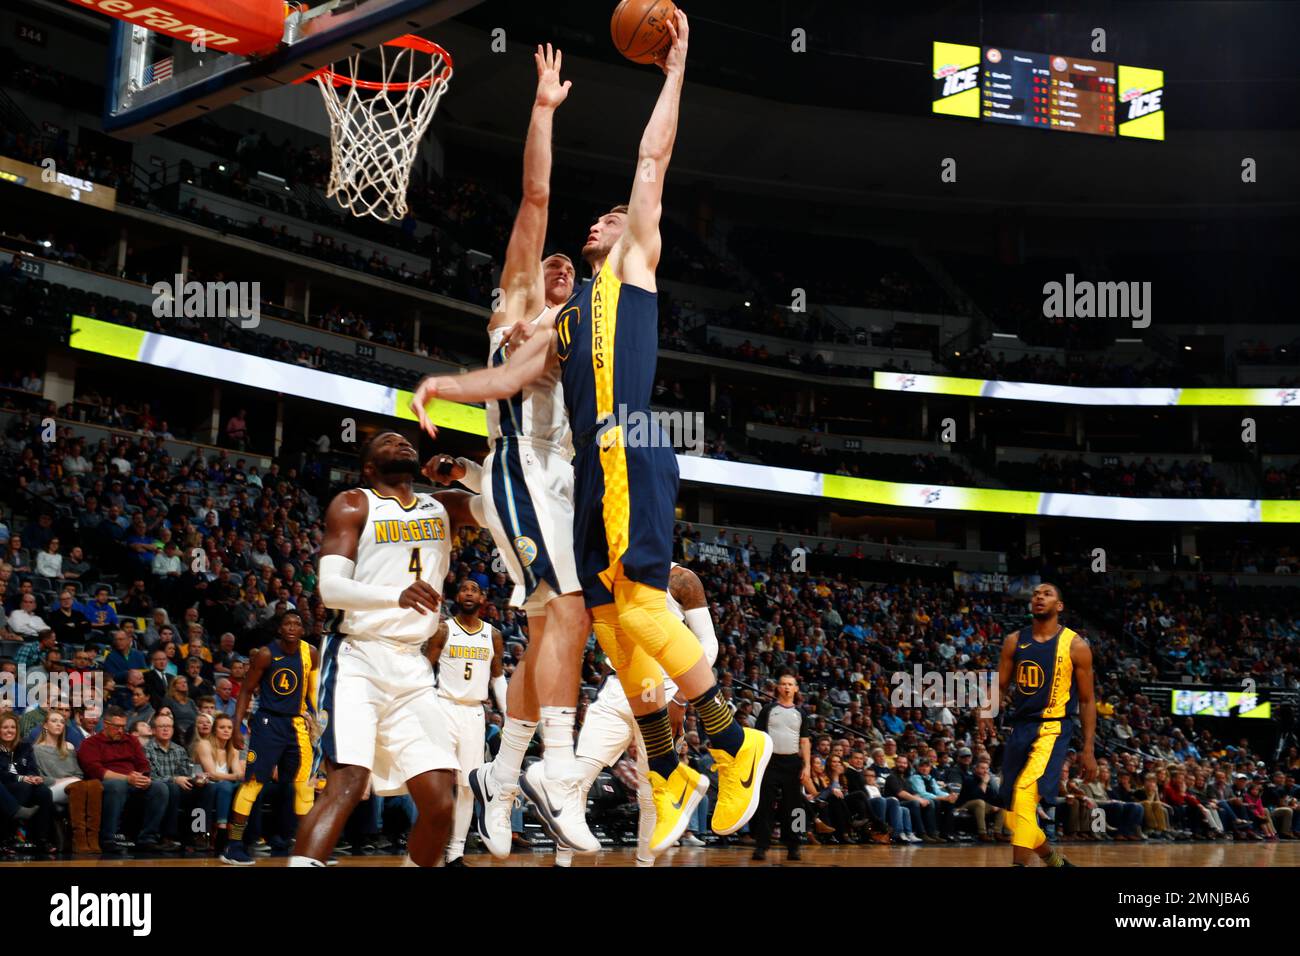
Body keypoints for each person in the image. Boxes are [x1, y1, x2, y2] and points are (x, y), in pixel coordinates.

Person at [412, 12, 770, 850]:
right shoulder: (559, 326)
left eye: (607, 222)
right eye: (598, 223)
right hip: (585, 470)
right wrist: (444, 384)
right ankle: (669, 763)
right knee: (608, 620)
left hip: (630, 444)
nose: (597, 228)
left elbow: (652, 158)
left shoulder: (633, 262)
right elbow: (504, 376)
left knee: (643, 607)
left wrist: (675, 68)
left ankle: (731, 743)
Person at [417, 45, 594, 858]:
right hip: (521, 464)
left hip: (557, 475)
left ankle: (504, 769)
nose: (557, 264)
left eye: (566, 264)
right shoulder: (520, 302)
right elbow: (536, 195)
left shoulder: (587, 320)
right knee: (565, 609)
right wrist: (544, 109)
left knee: (549, 623)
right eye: (549, 261)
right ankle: (550, 766)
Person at [293, 431, 478, 867]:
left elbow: (506, 502)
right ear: (369, 467)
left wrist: (463, 471)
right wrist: (395, 594)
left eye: (404, 440)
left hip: (412, 666)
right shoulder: (355, 502)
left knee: (440, 803)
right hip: (357, 655)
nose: (401, 443)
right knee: (348, 783)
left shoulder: (444, 504)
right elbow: (331, 589)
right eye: (387, 442)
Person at [555, 562, 719, 867]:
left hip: (664, 690)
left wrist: (682, 698)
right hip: (617, 689)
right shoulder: (610, 573)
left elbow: (708, 643)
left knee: (651, 791)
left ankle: (645, 864)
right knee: (577, 777)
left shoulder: (682, 579)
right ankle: (561, 863)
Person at [990, 582, 1096, 867]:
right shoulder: (1014, 640)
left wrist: (1088, 749)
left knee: (1025, 796)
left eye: (1047, 594)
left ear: (1059, 606)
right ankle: (1054, 861)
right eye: (1036, 593)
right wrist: (985, 711)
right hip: (1020, 728)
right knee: (1014, 813)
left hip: (1053, 728)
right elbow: (999, 685)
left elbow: (1087, 701)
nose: (1039, 597)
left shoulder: (1075, 645)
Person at [220, 609, 319, 865]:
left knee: (302, 787)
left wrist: (319, 723)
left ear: (302, 630)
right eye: (287, 623)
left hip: (297, 727)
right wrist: (238, 725)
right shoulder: (266, 654)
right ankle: (233, 845)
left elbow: (314, 694)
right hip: (267, 723)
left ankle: (303, 847)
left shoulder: (311, 653)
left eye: (297, 623)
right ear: (279, 628)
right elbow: (246, 691)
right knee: (253, 784)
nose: (292, 626)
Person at [423, 579, 506, 866]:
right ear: (456, 596)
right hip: (443, 707)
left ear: (482, 597)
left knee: (469, 785)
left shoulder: (492, 635)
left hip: (474, 713)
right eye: (464, 589)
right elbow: (424, 670)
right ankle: (430, 843)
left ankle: (456, 851)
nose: (468, 593)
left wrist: (507, 715)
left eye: (474, 589)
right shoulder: (443, 629)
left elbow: (498, 677)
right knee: (439, 783)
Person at [76, 704, 177, 854]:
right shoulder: (90, 743)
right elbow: (97, 771)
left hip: (133, 781)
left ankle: (147, 838)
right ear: (105, 724)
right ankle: (108, 838)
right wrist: (127, 778)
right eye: (117, 727)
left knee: (160, 788)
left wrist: (143, 778)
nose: (121, 731)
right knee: (117, 785)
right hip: (106, 783)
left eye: (123, 726)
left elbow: (143, 765)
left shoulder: (131, 740)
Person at [752, 672, 811, 861]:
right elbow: (759, 738)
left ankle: (795, 846)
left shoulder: (801, 713)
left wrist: (807, 766)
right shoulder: (767, 709)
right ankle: (761, 846)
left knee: (795, 807)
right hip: (770, 762)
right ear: (778, 687)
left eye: (790, 684)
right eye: (783, 684)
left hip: (793, 763)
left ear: (796, 688)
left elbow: (805, 742)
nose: (786, 687)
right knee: (765, 806)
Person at [33, 710, 104, 853]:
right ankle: (79, 840)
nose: (59, 724)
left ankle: (92, 839)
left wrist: (72, 780)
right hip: (52, 788)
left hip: (74, 785)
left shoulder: (69, 747)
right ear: (45, 725)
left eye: (61, 722)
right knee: (78, 786)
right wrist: (62, 780)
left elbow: (78, 773)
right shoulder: (36, 749)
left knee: (95, 785)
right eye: (54, 721)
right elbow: (40, 777)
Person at [144, 712, 206, 851]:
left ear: (173, 729)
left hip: (179, 787)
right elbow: (150, 776)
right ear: (153, 730)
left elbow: (186, 773)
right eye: (162, 726)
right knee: (172, 788)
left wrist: (196, 779)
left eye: (169, 726)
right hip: (158, 789)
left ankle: (199, 833)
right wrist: (174, 779)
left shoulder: (179, 750)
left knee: (205, 789)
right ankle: (169, 836)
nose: (166, 729)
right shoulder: (147, 750)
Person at [0, 710, 57, 856]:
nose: (9, 731)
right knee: (23, 787)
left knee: (44, 792)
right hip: (5, 786)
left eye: (12, 727)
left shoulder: (25, 747)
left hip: (25, 783)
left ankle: (42, 839)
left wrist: (34, 777)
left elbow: (32, 768)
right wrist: (22, 778)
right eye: (5, 727)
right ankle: (7, 839)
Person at [195, 713, 243, 847]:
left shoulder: (233, 747)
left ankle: (244, 835)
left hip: (224, 786)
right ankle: (222, 831)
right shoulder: (204, 744)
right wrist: (233, 776)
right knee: (225, 786)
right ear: (214, 730)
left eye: (229, 727)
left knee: (245, 788)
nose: (227, 730)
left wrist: (233, 776)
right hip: (206, 785)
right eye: (222, 727)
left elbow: (239, 774)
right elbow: (211, 774)